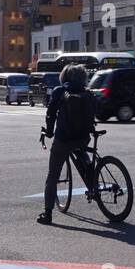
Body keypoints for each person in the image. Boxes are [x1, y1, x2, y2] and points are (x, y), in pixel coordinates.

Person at [38, 64, 96, 226]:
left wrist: (49, 132)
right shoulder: (88, 93)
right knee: (82, 152)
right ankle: (93, 184)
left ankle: (47, 214)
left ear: (65, 77)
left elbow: (50, 114)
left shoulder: (59, 91)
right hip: (83, 138)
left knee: (52, 175)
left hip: (63, 139)